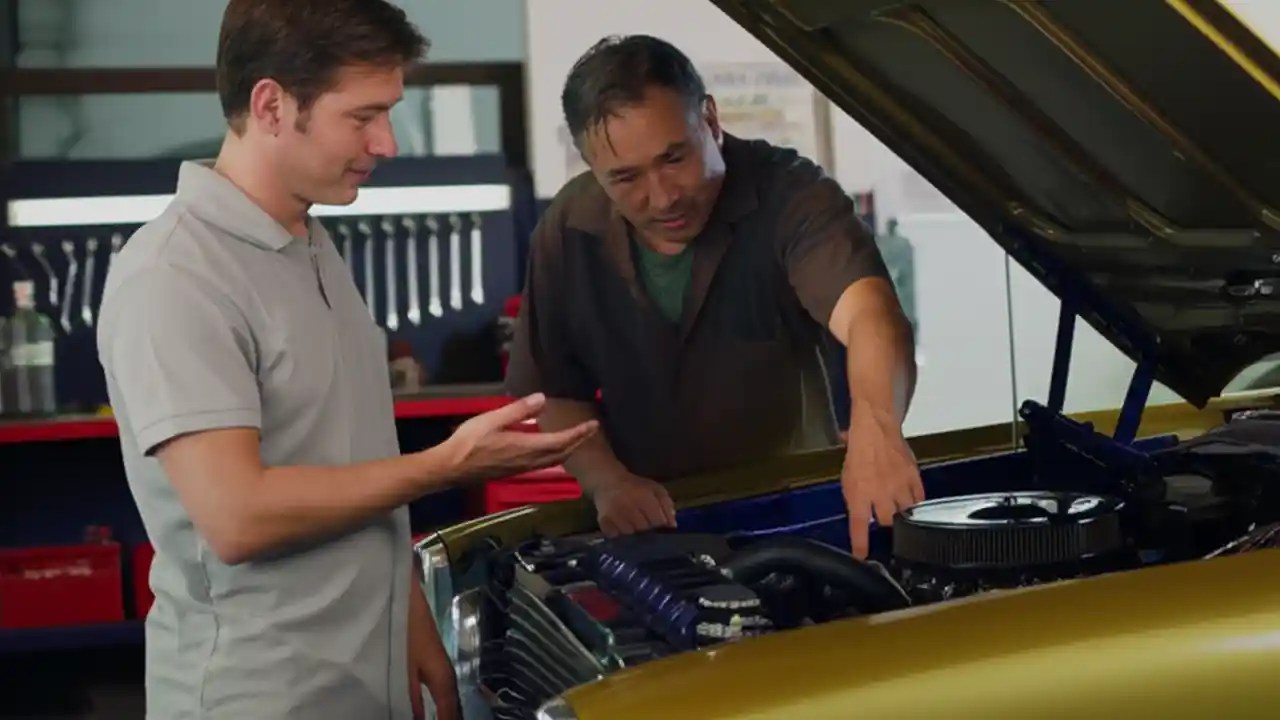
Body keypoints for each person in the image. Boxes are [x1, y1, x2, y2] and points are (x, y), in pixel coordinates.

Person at [95, 2, 597, 718]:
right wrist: (446, 467)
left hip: (366, 673)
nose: (386, 141)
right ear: (271, 105)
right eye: (362, 117)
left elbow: (347, 453)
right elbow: (239, 517)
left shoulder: (308, 244)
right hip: (262, 693)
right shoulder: (175, 276)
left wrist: (407, 613)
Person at [506, 35, 923, 559]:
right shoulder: (568, 228)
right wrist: (607, 482)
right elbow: (555, 392)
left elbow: (869, 315)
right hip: (648, 528)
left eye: (674, 158)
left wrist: (877, 430)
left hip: (798, 519)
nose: (662, 197)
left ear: (710, 119)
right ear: (590, 166)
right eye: (626, 178)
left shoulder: (790, 195)